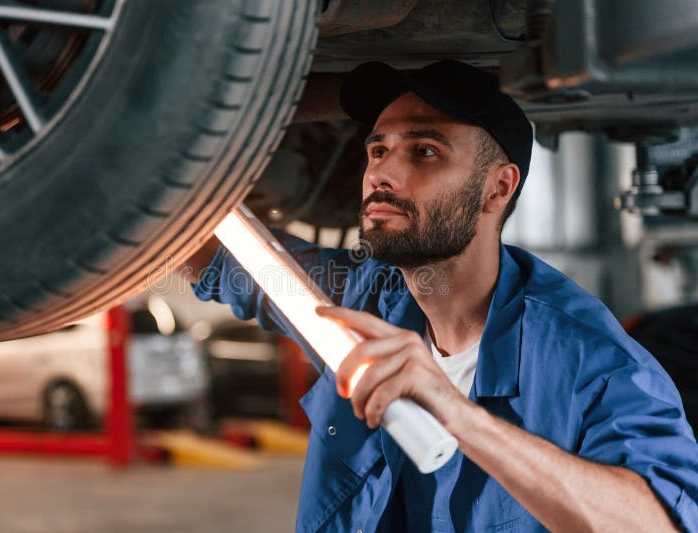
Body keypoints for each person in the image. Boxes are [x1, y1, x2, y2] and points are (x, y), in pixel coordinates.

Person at [182, 60, 698, 532]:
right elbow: (212, 251)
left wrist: (458, 415)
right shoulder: (360, 300)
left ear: (497, 189)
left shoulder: (593, 363)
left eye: (424, 152)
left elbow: (659, 524)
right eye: (378, 150)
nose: (382, 172)